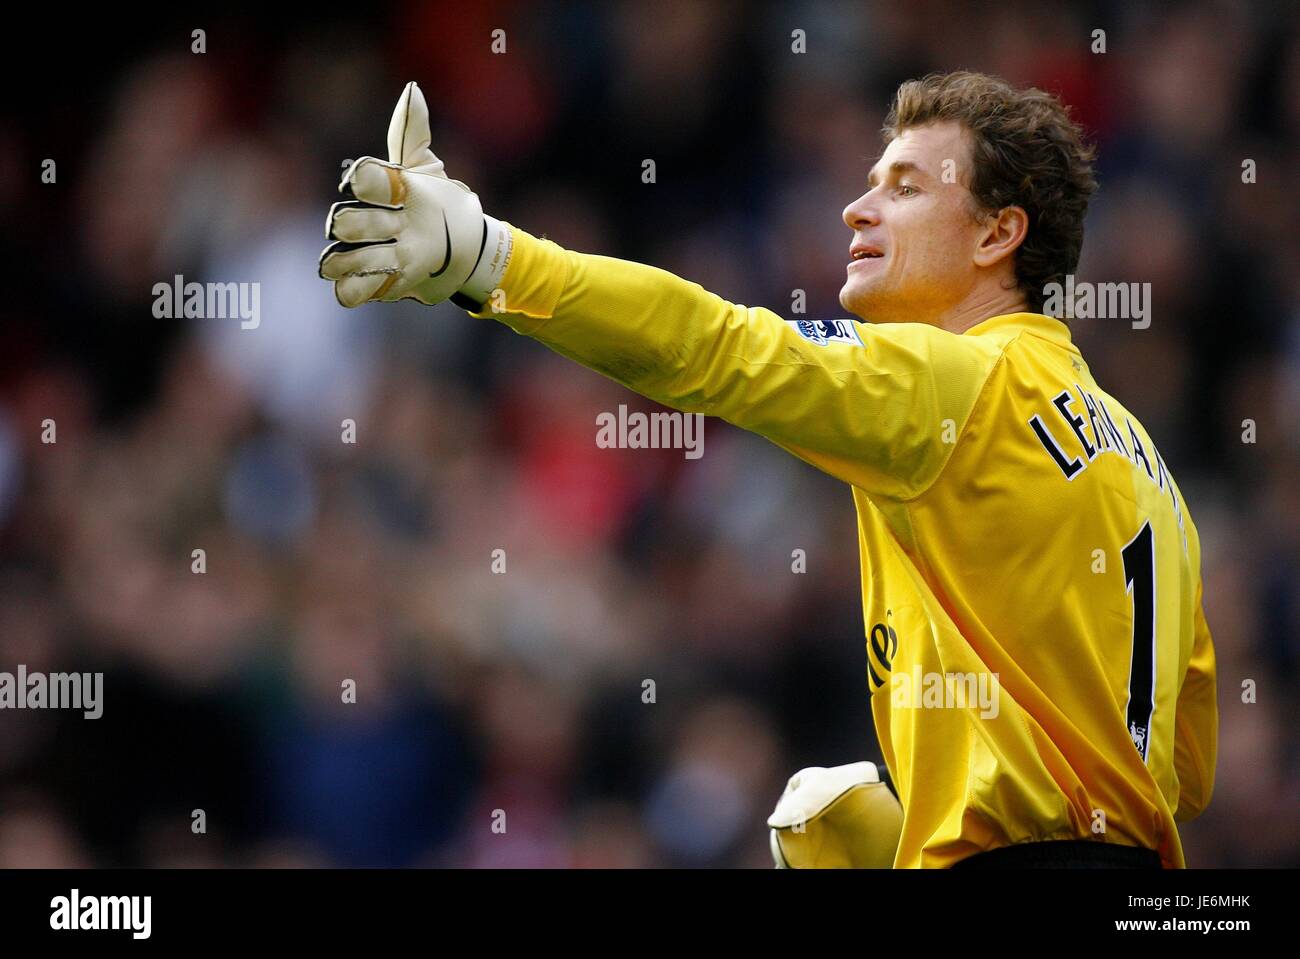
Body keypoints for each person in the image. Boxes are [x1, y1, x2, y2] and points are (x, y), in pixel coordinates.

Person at [319, 71, 1217, 868]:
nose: (857, 210)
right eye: (870, 184)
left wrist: (492, 261)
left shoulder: (957, 382)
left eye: (905, 188)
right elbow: (1186, 768)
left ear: (998, 235)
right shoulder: (1155, 479)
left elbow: (711, 347)